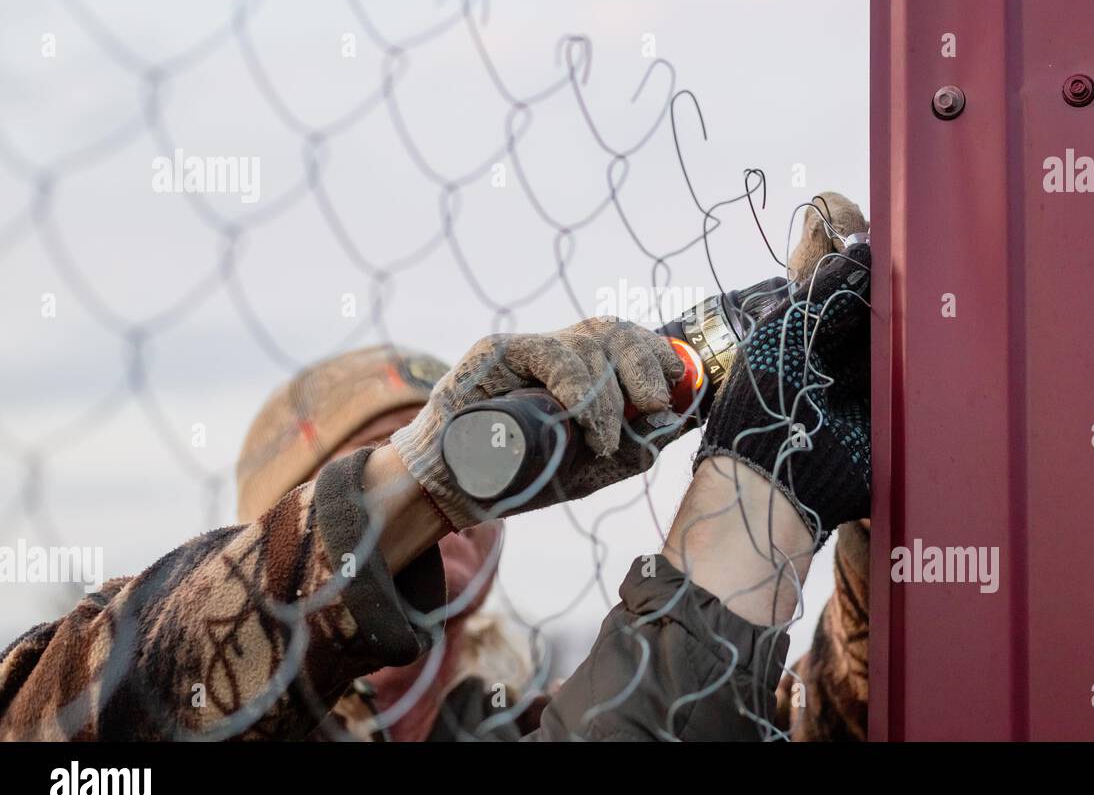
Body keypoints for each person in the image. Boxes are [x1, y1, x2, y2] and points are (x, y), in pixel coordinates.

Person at [0, 195, 871, 741]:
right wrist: (421, 475)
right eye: (366, 461)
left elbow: (813, 721)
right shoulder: (146, 676)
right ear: (272, 521)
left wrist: (864, 494)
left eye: (498, 469)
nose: (461, 509)